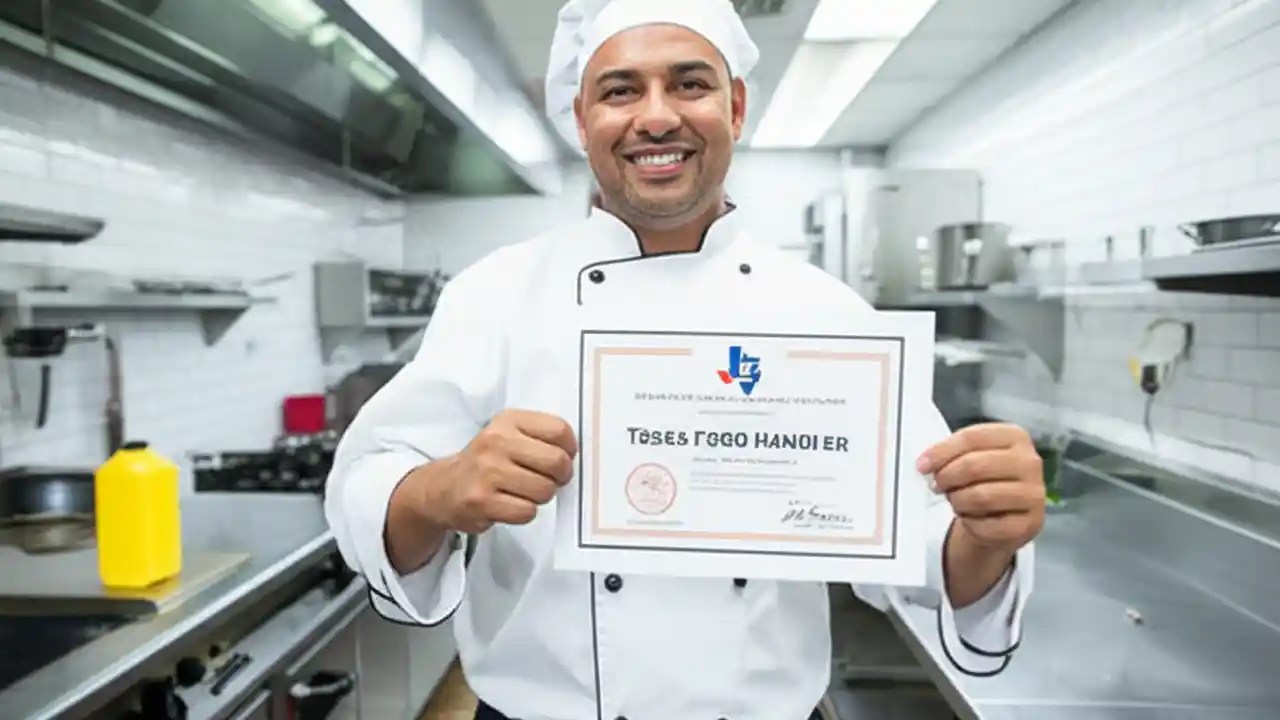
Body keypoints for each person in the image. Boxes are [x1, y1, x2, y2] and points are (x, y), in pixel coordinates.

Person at [324, 1, 1043, 718]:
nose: (657, 116)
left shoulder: (825, 314)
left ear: (734, 107)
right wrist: (439, 490)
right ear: (582, 119)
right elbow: (368, 486)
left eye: (689, 84)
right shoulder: (496, 295)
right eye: (620, 90)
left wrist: (987, 531)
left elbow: (921, 547)